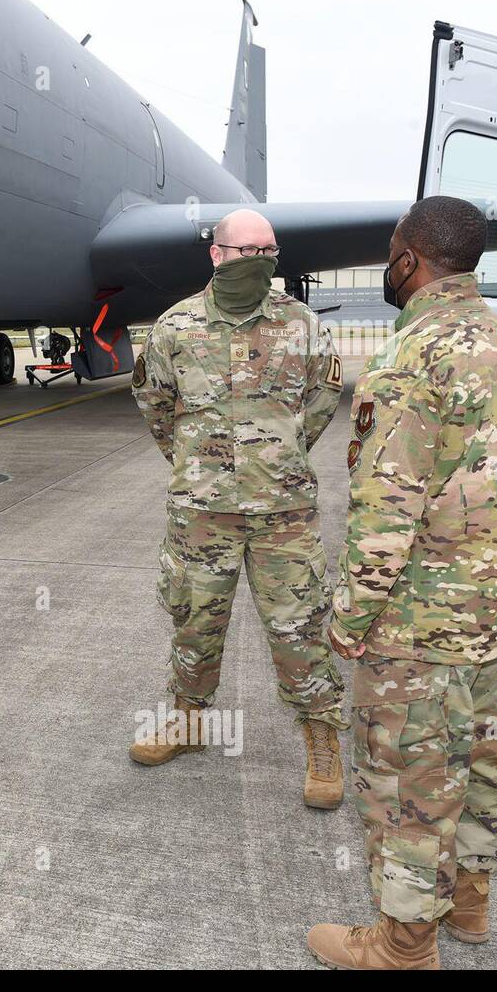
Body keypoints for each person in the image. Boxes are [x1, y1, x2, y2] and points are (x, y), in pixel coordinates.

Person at [308, 195, 497, 969]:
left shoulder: (411, 357)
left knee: (411, 773)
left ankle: (406, 945)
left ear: (409, 259)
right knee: (481, 755)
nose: (387, 263)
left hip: (421, 621)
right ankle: (470, 905)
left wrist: (348, 619)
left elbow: (388, 510)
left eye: (389, 250)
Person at [130, 209, 346, 807]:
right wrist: (200, 465)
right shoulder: (174, 327)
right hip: (203, 513)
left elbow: (323, 399)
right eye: (246, 248)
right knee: (194, 621)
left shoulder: (300, 325)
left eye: (269, 248)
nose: (260, 257)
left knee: (299, 625)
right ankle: (188, 720)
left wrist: (280, 454)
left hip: (284, 512)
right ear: (216, 254)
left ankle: (321, 739)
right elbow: (156, 404)